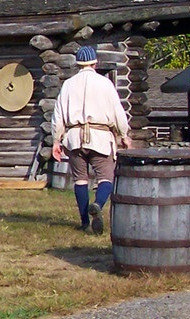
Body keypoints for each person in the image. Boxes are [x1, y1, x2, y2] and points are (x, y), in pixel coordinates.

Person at [51, 46, 132, 234]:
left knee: (80, 180)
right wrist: (123, 135)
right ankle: (97, 204)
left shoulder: (69, 85)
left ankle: (85, 222)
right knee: (106, 177)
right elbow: (117, 112)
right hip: (100, 138)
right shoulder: (105, 84)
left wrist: (56, 140)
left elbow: (59, 115)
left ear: (78, 64)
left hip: (74, 138)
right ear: (95, 63)